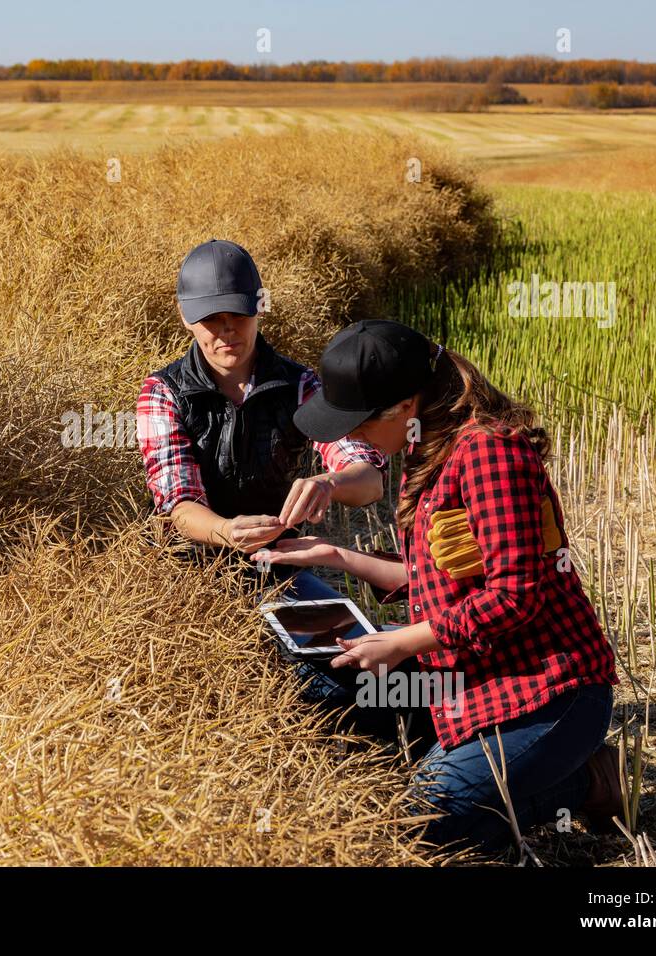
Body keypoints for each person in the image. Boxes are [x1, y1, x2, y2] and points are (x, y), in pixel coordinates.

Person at [256, 319, 622, 853]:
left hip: (546, 691)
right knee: (318, 676)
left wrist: (403, 642)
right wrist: (338, 556)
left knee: (418, 828)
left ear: (404, 405)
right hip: (466, 678)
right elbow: (438, 580)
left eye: (356, 422)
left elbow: (515, 593)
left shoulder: (490, 454)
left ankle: (585, 782)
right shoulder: (429, 447)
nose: (349, 437)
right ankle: (470, 759)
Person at [136, 240, 430, 745]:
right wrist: (226, 531)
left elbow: (368, 481)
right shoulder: (162, 393)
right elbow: (176, 506)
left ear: (259, 309)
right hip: (185, 579)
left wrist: (328, 482)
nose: (227, 330)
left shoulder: (302, 386)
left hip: (280, 572)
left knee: (381, 677)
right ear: (187, 319)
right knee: (290, 690)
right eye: (212, 319)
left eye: (239, 315)